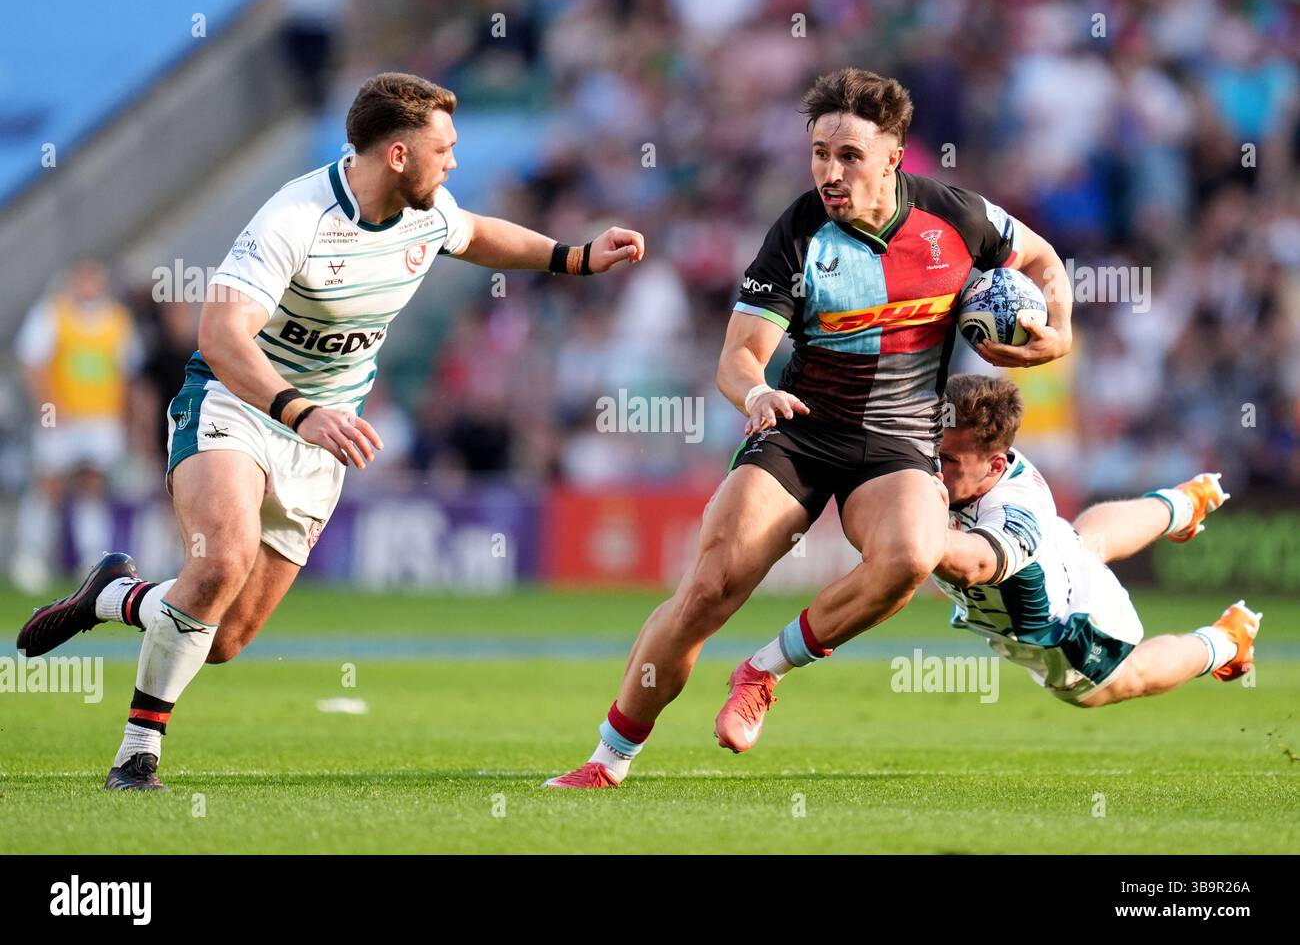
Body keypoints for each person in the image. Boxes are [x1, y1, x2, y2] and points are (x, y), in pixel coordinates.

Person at [17, 72, 645, 791]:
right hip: (238, 405)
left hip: (319, 441)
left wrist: (575, 256)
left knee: (223, 639)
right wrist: (301, 411)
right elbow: (222, 335)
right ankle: (137, 757)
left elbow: (478, 237)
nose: (455, 162)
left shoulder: (429, 210)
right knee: (221, 561)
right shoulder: (297, 216)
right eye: (445, 148)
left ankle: (111, 596)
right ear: (399, 154)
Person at [546, 68, 1073, 788]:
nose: (830, 171)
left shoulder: (957, 217)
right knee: (708, 590)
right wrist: (756, 392)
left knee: (912, 556)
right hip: (798, 428)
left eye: (848, 156)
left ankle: (764, 670)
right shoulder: (797, 233)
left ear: (893, 156)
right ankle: (608, 760)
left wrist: (1060, 333)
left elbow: (1040, 258)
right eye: (820, 154)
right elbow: (737, 357)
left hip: (897, 441)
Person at [929, 374, 1256, 705]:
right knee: (1083, 541)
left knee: (1123, 680)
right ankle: (1185, 504)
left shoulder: (1016, 511)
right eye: (931, 449)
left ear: (995, 466)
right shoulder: (965, 463)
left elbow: (974, 563)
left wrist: (905, 531)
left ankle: (1226, 641)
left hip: (1065, 620)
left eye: (949, 459)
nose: (933, 465)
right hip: (1050, 552)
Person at [11, 260, 140, 592]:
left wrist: (127, 419)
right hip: (62, 416)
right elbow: (32, 362)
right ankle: (30, 557)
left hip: (102, 417)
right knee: (49, 483)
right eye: (83, 278)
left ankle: (91, 559)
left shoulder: (117, 319)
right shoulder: (53, 313)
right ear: (72, 280)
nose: (88, 285)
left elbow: (127, 373)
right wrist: (48, 405)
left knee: (93, 484)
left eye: (94, 279)